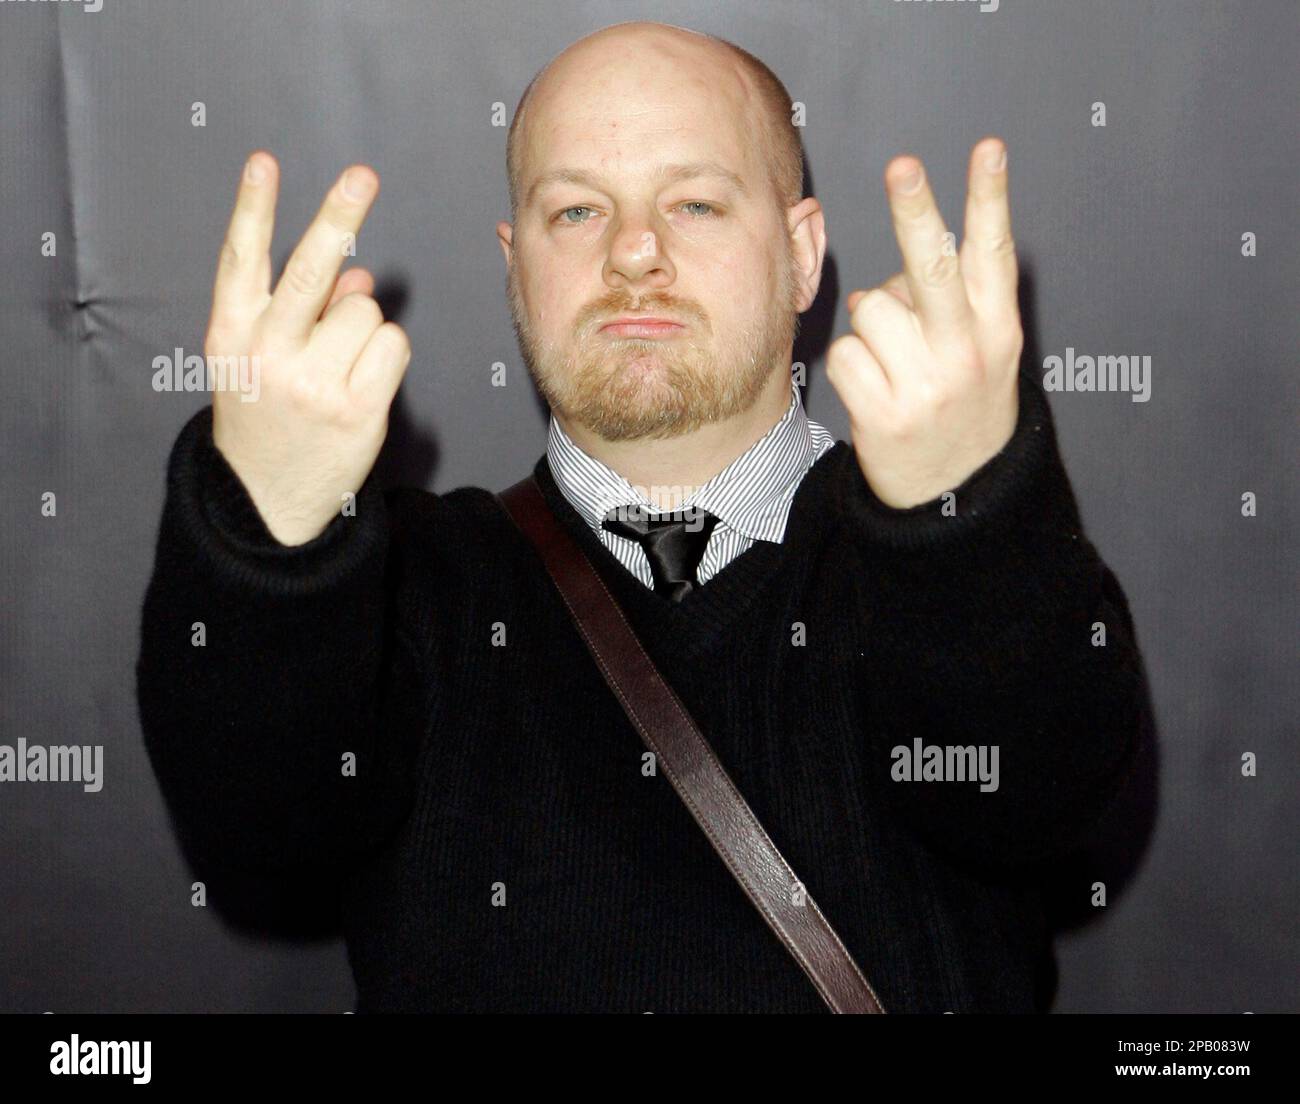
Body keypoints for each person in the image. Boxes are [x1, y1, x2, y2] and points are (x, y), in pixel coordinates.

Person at [136, 20, 1145, 1013]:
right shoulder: (404, 588)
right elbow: (260, 829)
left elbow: (1041, 804)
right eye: (576, 212)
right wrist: (272, 527)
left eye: (696, 204)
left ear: (801, 255)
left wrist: (958, 519)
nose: (633, 254)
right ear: (514, 266)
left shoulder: (934, 557)